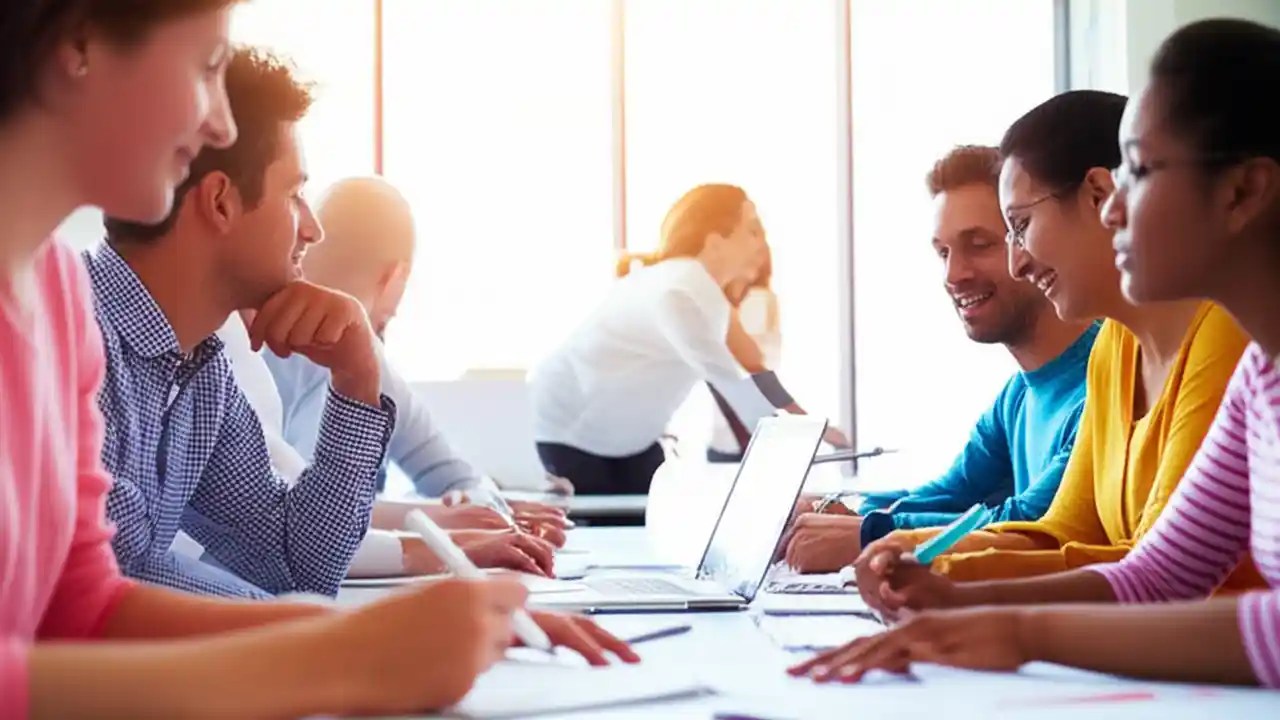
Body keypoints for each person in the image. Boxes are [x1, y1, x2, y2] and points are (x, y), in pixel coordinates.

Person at [0, 3, 633, 718]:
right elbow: (111, 596)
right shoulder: (88, 312)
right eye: (207, 66)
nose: (220, 124)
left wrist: (358, 389)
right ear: (81, 44)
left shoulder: (64, 299)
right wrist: (346, 653)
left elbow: (263, 568)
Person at [791, 18, 1280, 688]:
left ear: (1243, 191)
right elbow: (1161, 571)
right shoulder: (1261, 373)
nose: (1114, 211)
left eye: (1139, 170)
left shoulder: (1230, 351)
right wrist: (957, 598)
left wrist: (1016, 627)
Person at [852, 91, 1257, 590]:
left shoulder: (1228, 333)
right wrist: (908, 550)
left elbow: (1159, 574)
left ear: (1099, 195)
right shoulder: (1113, 348)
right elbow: (1061, 532)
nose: (1017, 261)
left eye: (1019, 227)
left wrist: (951, 573)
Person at [782, 145, 1098, 573]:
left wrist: (872, 534)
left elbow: (1031, 525)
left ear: (1029, 241)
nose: (954, 275)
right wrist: (834, 510)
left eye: (979, 244)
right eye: (943, 253)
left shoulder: (1102, 382)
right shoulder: (1017, 398)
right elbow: (952, 492)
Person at [529, 183, 847, 495]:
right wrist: (798, 444)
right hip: (573, 433)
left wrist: (811, 426)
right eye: (751, 231)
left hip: (629, 441)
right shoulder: (678, 293)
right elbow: (731, 380)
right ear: (715, 241)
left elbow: (755, 369)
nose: (761, 244)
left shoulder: (707, 296)